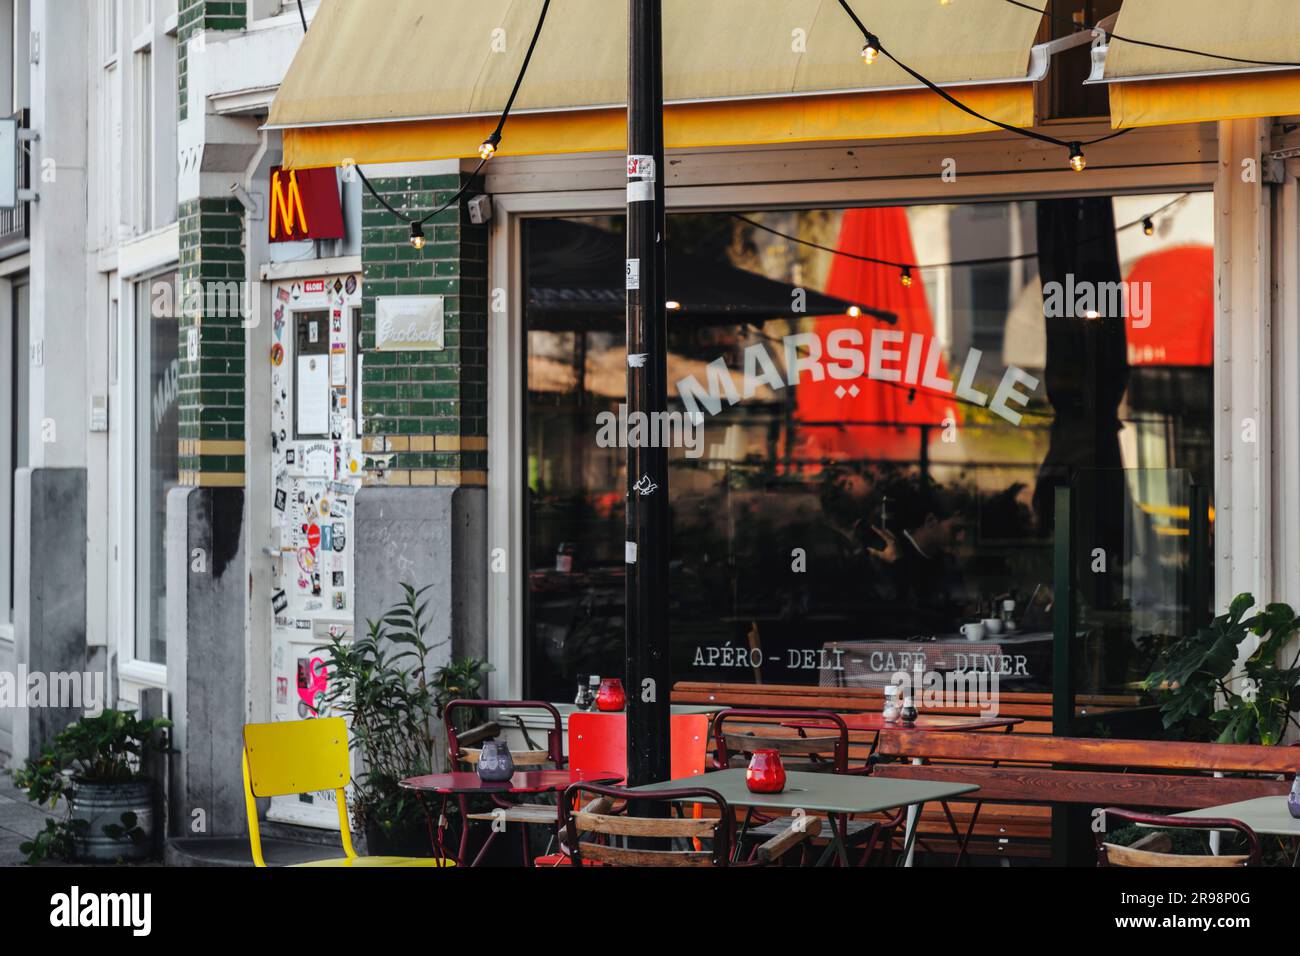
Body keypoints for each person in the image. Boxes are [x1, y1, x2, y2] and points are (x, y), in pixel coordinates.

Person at [864, 480, 970, 635]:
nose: (961, 538)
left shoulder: (946, 560)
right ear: (931, 521)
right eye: (956, 529)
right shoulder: (890, 552)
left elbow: (956, 609)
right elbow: (903, 615)